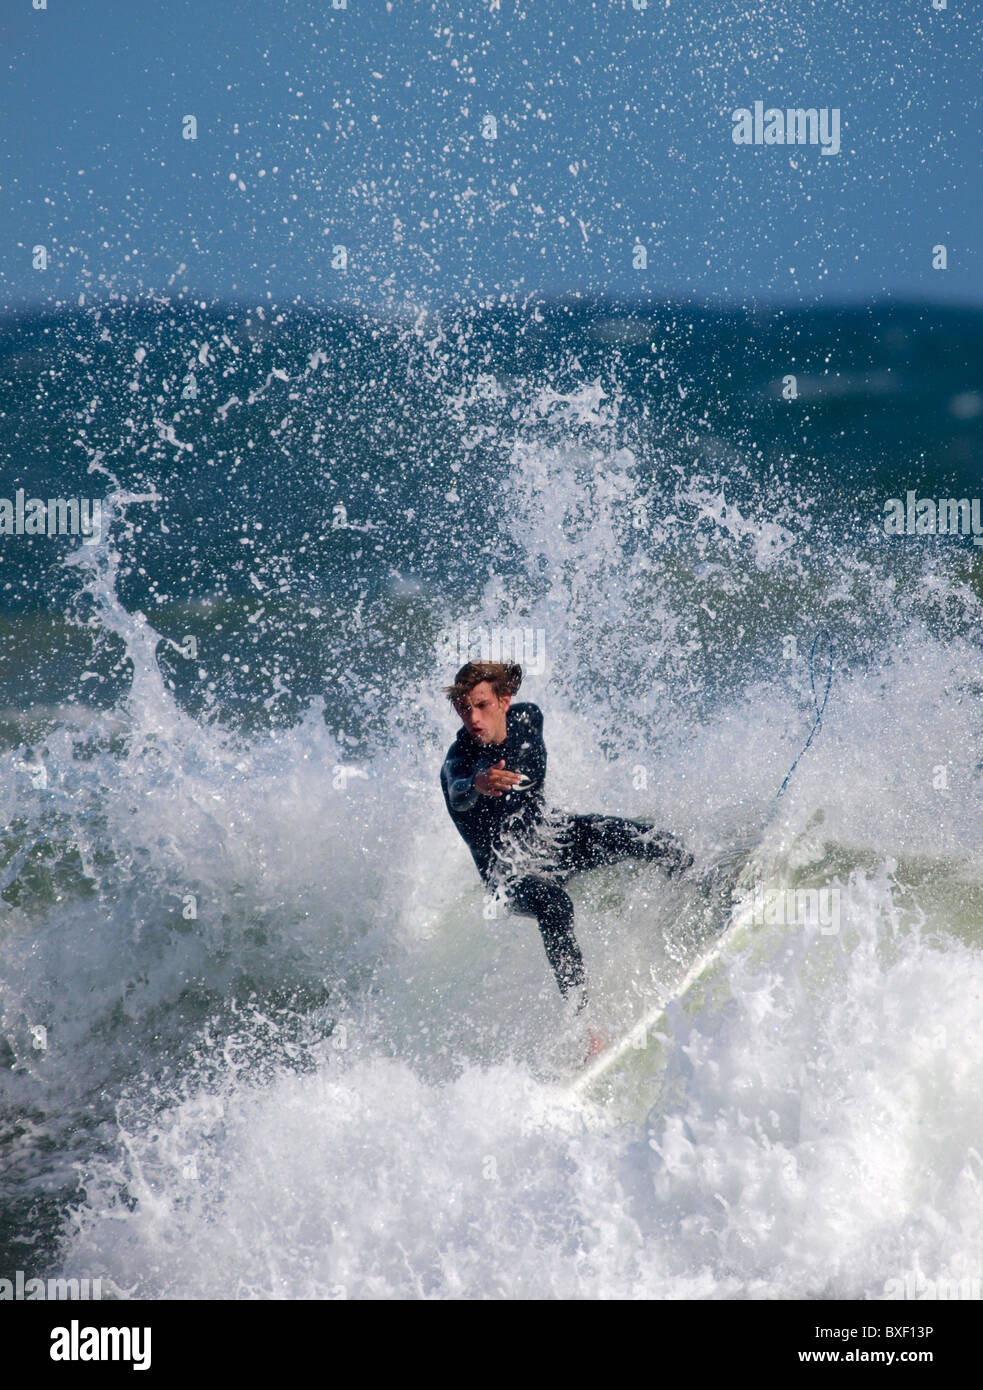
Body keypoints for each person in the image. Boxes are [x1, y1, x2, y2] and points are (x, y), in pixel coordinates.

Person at [439, 660, 693, 1053]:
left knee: (644, 836)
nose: (472, 716)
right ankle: (584, 1027)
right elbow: (457, 789)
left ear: (504, 701)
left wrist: (512, 775)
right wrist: (479, 782)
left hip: (551, 839)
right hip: (507, 876)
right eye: (464, 707)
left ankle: (703, 887)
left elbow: (534, 768)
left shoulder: (527, 718)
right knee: (554, 905)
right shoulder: (460, 761)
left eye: (481, 705)